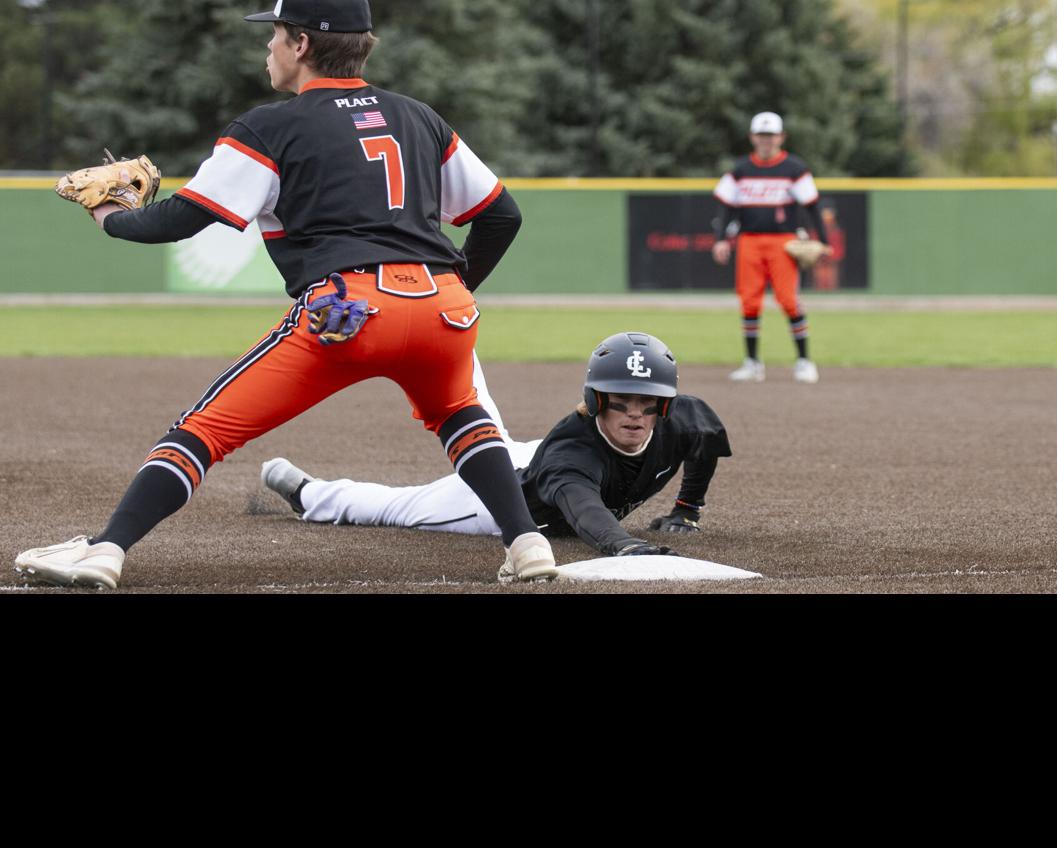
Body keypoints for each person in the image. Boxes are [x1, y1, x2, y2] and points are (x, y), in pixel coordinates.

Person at [13, 1, 558, 589]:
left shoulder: (270, 126)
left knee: (204, 429)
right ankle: (527, 544)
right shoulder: (418, 117)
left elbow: (176, 220)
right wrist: (448, 291)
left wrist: (108, 215)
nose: (267, 47)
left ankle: (106, 551)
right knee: (461, 417)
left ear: (300, 44)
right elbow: (502, 216)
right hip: (444, 306)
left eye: (273, 34)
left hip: (346, 311)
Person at [259, 333, 730, 559]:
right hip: (499, 499)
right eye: (621, 402)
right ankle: (309, 493)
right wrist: (624, 545)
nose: (635, 414)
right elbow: (587, 513)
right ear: (596, 401)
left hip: (534, 457)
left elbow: (704, 444)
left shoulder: (687, 420)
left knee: (484, 417)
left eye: (648, 404)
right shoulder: (573, 458)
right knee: (395, 508)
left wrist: (686, 508)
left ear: (665, 405)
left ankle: (449, 334)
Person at [711, 111, 824, 384]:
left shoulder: (794, 168)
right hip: (749, 240)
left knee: (788, 300)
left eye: (771, 135)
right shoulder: (740, 170)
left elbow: (812, 206)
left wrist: (823, 240)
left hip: (782, 242)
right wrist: (720, 239)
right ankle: (752, 363)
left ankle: (804, 361)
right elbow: (726, 209)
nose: (766, 141)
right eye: (761, 135)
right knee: (749, 301)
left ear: (781, 137)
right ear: (752, 137)